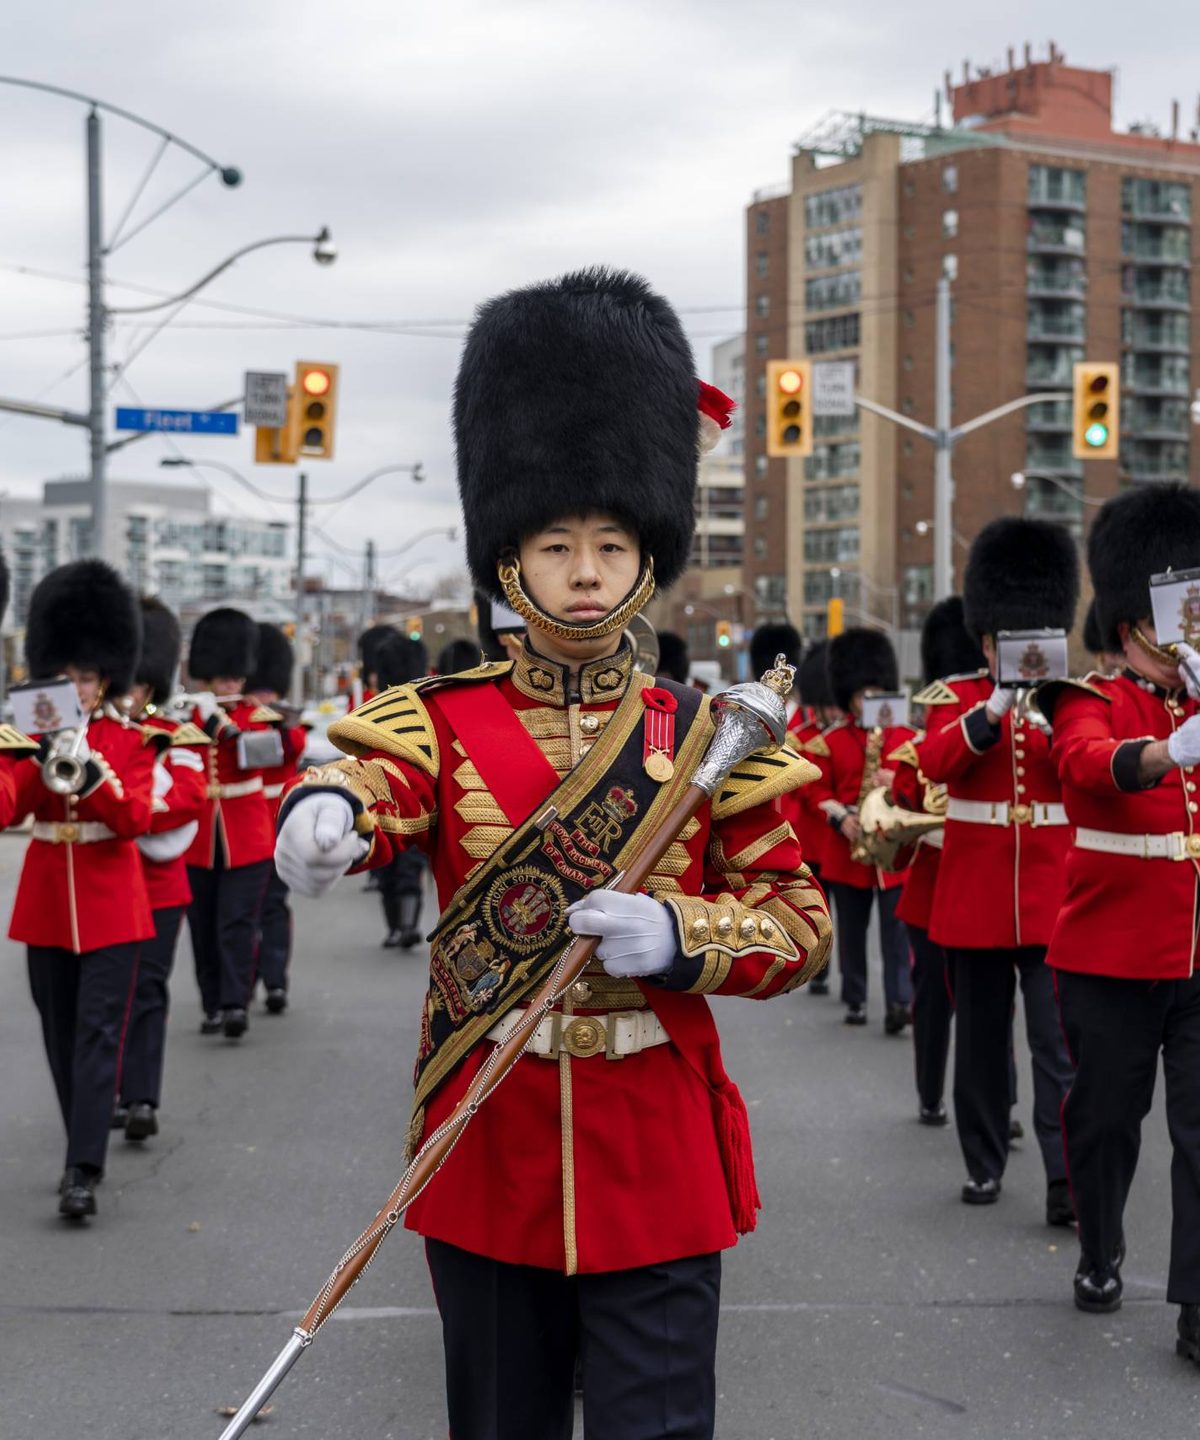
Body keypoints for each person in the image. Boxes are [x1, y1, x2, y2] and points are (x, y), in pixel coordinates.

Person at [275, 267, 832, 1440]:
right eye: (559, 542)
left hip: (658, 1150)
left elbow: (797, 918)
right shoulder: (438, 716)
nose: (586, 570)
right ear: (509, 560)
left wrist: (683, 935)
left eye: (614, 543)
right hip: (493, 1143)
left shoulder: (705, 736)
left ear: (647, 558)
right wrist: (326, 811)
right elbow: (379, 780)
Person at [1040, 484, 1200, 1358]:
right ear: (1137, 621)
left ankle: (1198, 1309)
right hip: (1109, 957)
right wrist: (1167, 751)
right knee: (1105, 1121)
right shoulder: (1088, 696)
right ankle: (1099, 1248)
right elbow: (1088, 763)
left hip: (1199, 959)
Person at [920, 517, 1077, 1221]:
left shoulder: (1075, 700)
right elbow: (934, 763)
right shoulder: (956, 698)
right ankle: (983, 1164)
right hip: (977, 897)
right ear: (986, 639)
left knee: (1058, 1048)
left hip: (1054, 899)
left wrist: (1051, 726)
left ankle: (1066, 1181)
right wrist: (993, 710)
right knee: (981, 1046)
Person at [7, 561, 156, 1220]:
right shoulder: (28, 740)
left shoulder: (129, 742)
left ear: (106, 681)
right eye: (67, 676)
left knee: (98, 1034)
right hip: (45, 905)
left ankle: (82, 1168)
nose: (78, 687)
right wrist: (21, 754)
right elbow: (9, 809)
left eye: (88, 677)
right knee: (60, 1035)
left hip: (112, 907)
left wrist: (92, 772)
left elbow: (135, 819)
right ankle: (80, 1143)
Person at [116, 597, 209, 1141]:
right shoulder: (93, 737)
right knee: (106, 998)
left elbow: (189, 797)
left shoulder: (174, 735)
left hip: (157, 886)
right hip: (106, 886)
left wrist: (130, 815)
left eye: (137, 685)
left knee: (147, 988)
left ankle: (141, 1096)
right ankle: (106, 1089)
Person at [893, 597, 984, 1125]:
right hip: (930, 888)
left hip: (979, 886)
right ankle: (931, 1090)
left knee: (991, 1004)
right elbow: (900, 826)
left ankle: (1002, 1099)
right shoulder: (917, 757)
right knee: (932, 1001)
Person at [809, 627, 915, 1032]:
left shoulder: (907, 738)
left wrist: (899, 782)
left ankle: (899, 1002)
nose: (868, 699)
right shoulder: (831, 741)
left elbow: (924, 787)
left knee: (896, 932)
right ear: (849, 696)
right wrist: (841, 817)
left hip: (893, 848)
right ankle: (855, 997)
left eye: (875, 690)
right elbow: (815, 788)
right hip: (849, 843)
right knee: (852, 932)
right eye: (860, 693)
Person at [183, 608, 279, 1040]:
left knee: (236, 922)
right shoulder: (186, 717)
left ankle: (235, 1002)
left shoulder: (254, 715)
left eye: (236, 676)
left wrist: (219, 723)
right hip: (198, 838)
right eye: (223, 677)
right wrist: (193, 717)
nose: (231, 683)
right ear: (207, 676)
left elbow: (272, 750)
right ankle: (211, 1005)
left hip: (247, 836)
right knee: (203, 926)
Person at [246, 622, 306, 1013]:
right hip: (245, 831)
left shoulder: (284, 721)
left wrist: (278, 723)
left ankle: (275, 982)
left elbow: (291, 749)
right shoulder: (237, 718)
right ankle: (243, 981)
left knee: (273, 907)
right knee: (244, 913)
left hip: (278, 826)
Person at [373, 631, 431, 949]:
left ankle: (406, 925)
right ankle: (395, 926)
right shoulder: (375, 709)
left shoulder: (425, 707)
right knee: (386, 865)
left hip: (415, 797)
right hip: (382, 795)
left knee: (409, 865)